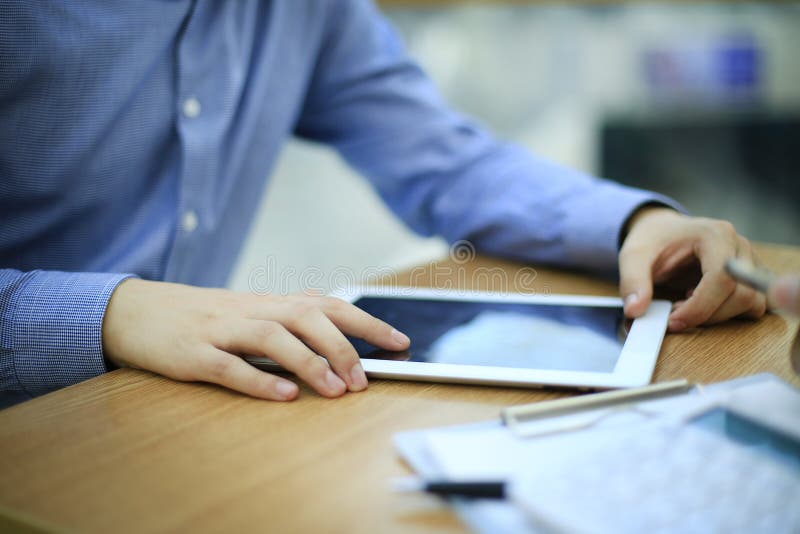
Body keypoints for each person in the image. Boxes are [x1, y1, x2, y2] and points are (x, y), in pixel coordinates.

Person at [0, 0, 765, 407]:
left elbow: (449, 163)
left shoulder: (308, 11)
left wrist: (639, 224)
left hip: (167, 415)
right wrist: (112, 313)